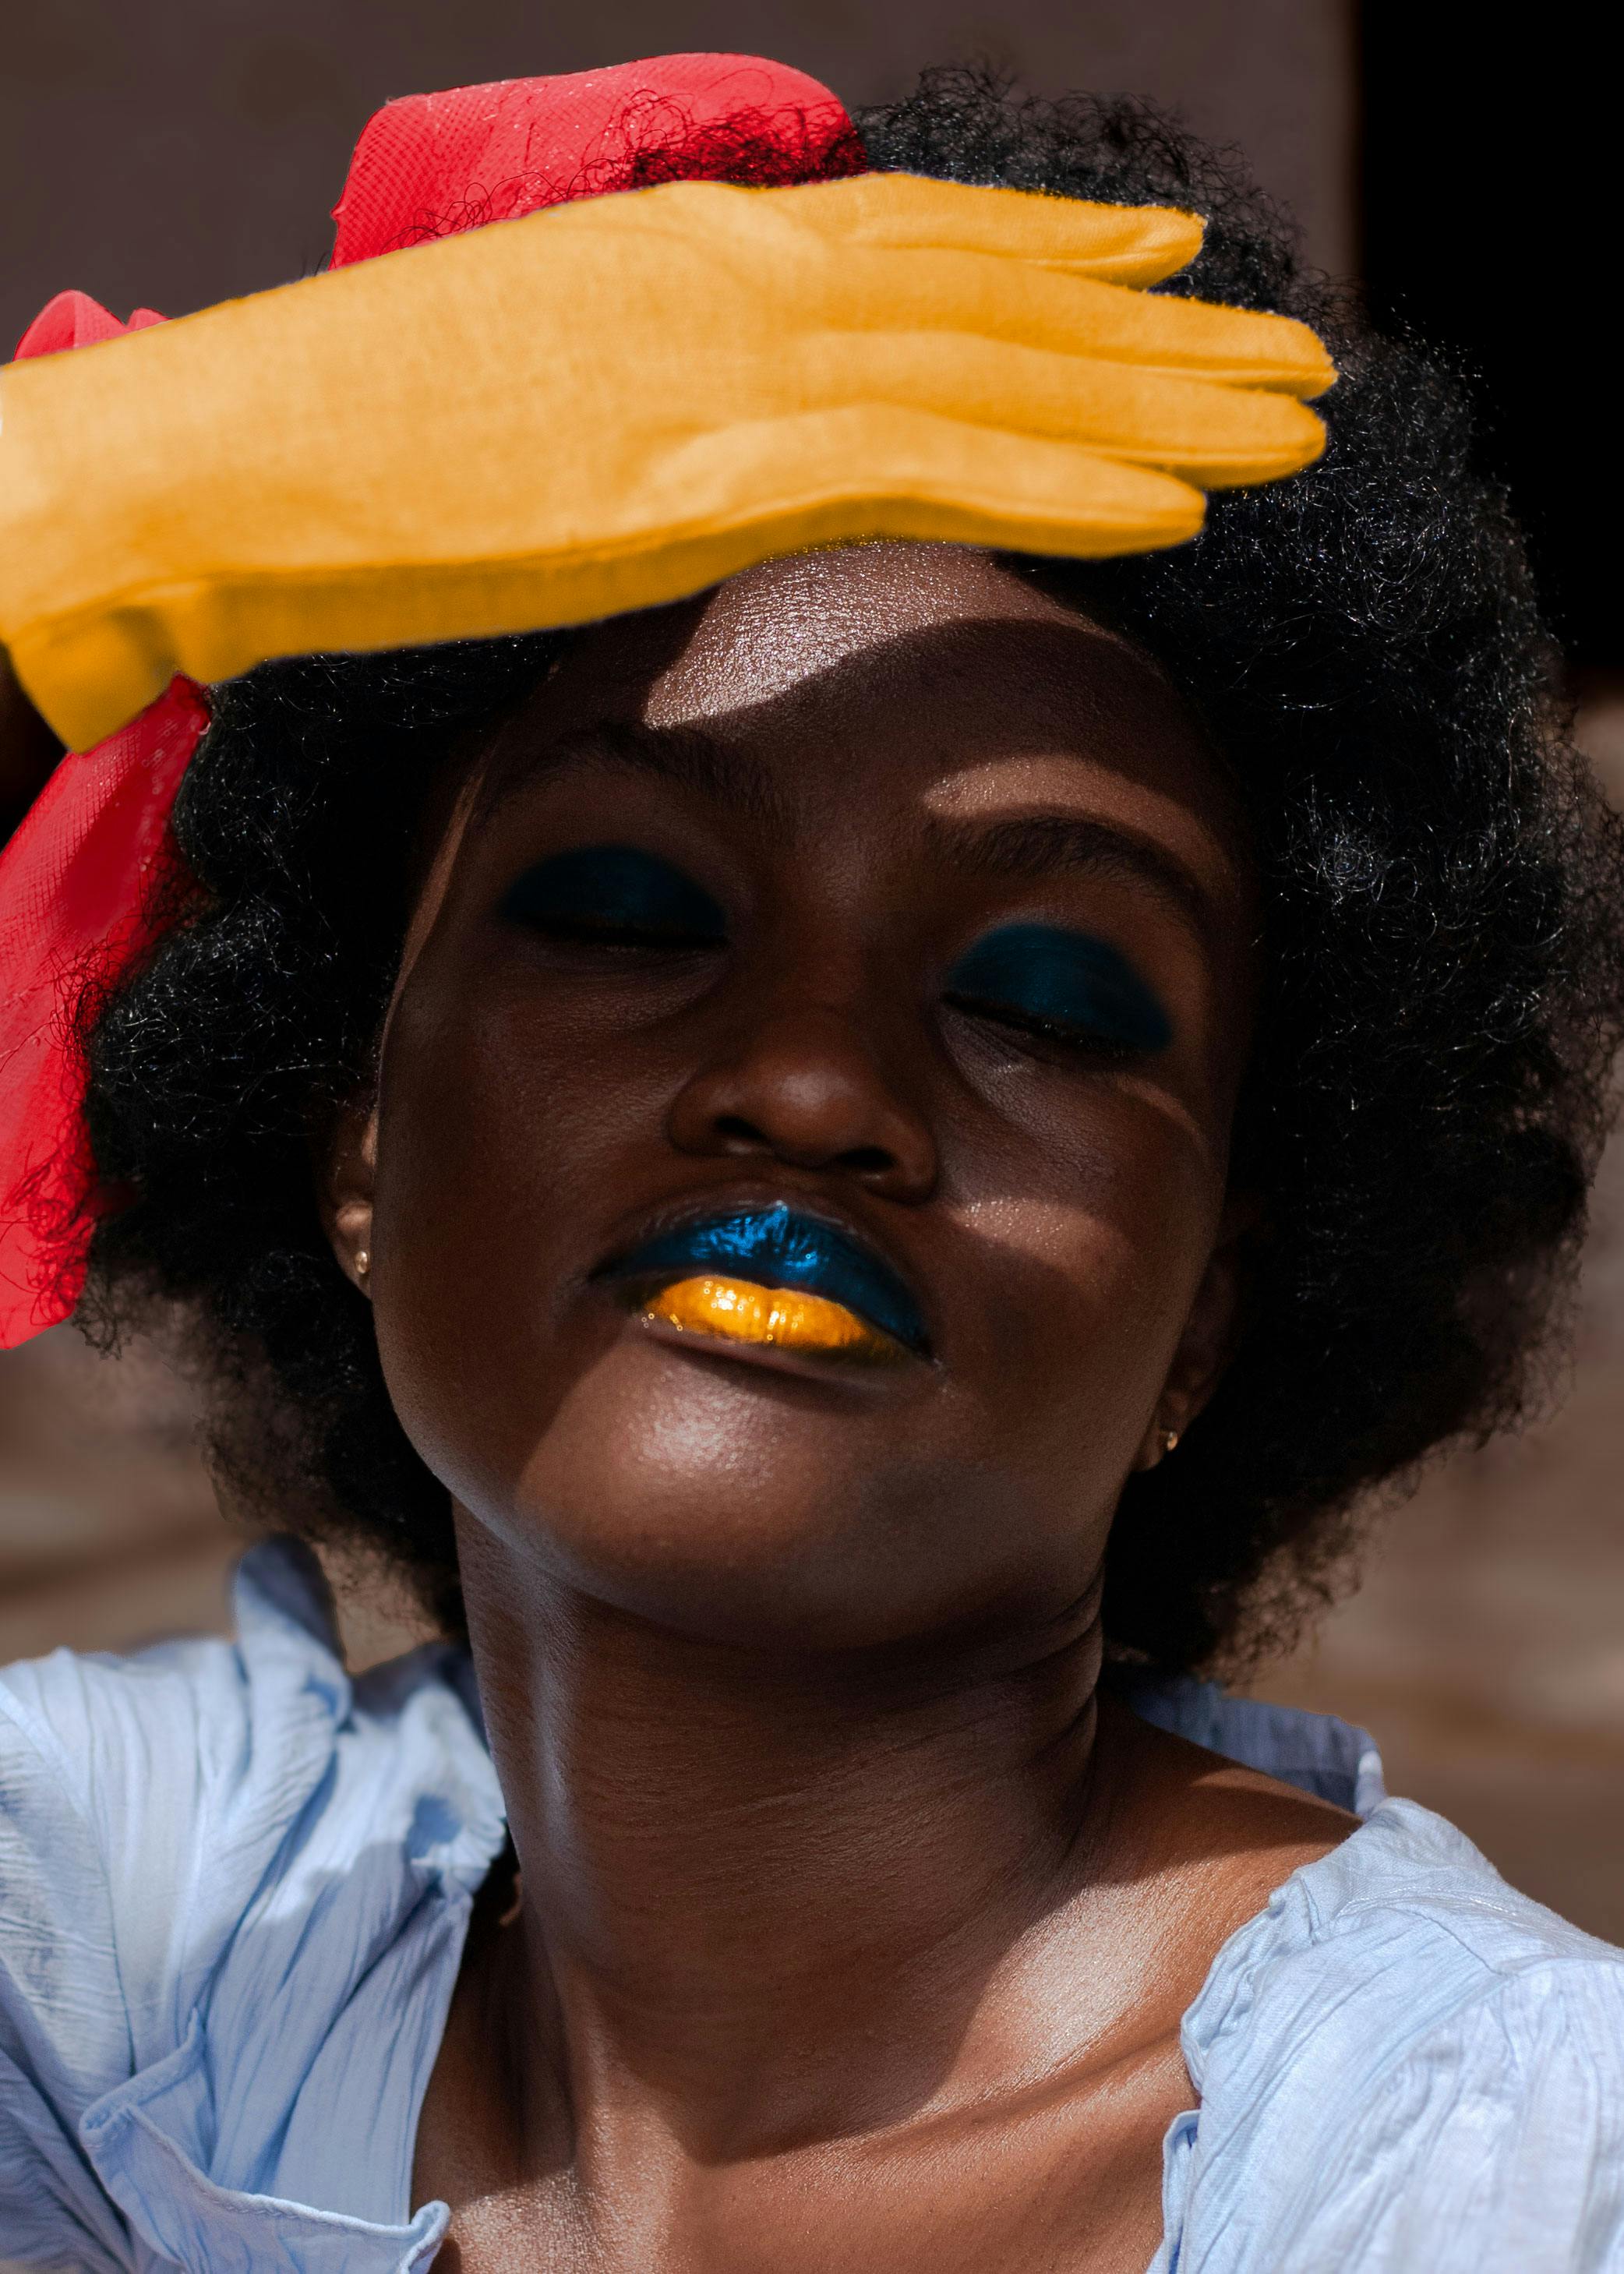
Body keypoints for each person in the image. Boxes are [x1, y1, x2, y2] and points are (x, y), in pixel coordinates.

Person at [2, 52, 1622, 2274]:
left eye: (1047, 999)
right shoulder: (115, 1959)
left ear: (1211, 1313)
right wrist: (62, 518)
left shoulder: (1491, 2165)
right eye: (629, 910)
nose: (805, 1078)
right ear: (352, 1134)